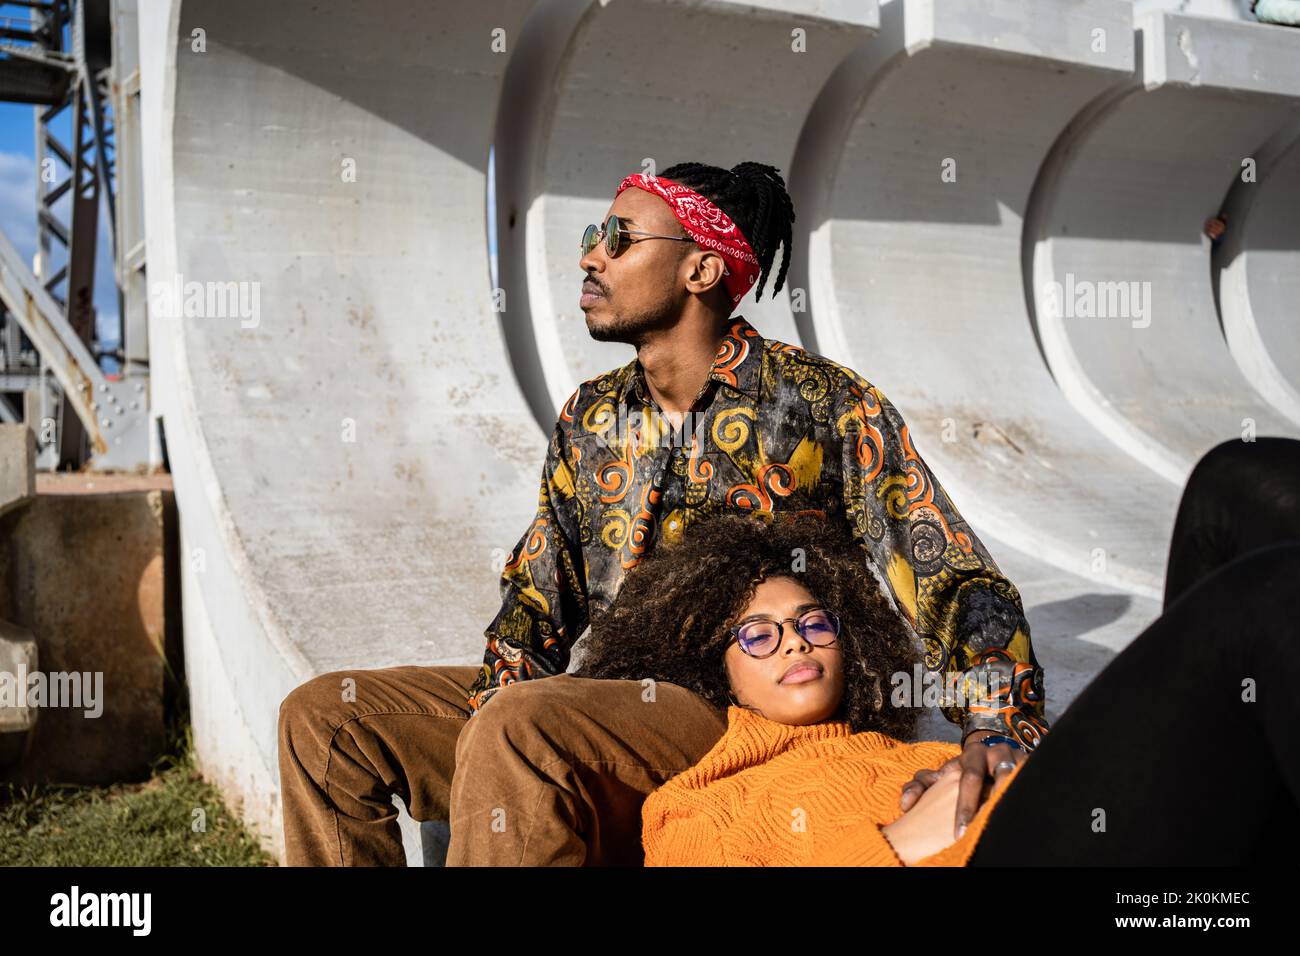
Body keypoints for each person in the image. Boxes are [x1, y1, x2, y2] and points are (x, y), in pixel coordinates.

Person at [277, 161, 1045, 866]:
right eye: (591, 237)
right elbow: (540, 597)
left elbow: (953, 574)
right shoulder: (592, 416)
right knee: (327, 722)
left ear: (701, 267)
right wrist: (482, 718)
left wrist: (1000, 726)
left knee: (522, 726)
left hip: (741, 713)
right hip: (601, 702)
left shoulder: (820, 402)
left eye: (618, 238)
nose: (590, 257)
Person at [624, 448, 1300, 865]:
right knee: (1264, 597)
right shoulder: (692, 805)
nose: (796, 640)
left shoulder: (899, 755)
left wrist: (1008, 765)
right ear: (722, 674)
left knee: (1234, 480)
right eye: (760, 635)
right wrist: (901, 842)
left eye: (813, 623)